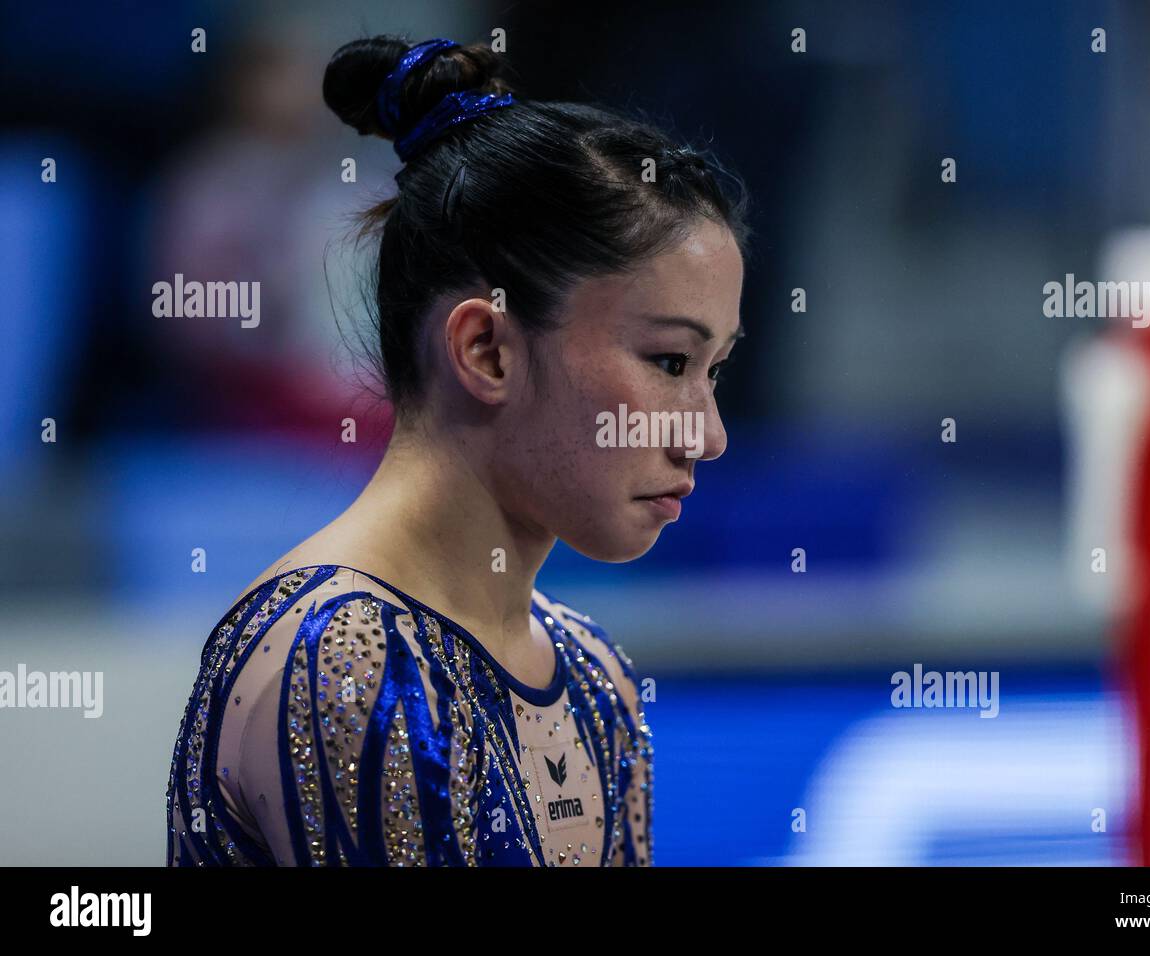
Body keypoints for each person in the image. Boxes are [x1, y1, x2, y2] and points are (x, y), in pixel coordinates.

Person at [164, 33, 751, 866]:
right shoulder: (350, 657)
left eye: (715, 369)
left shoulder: (594, 679)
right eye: (668, 362)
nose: (708, 433)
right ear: (487, 351)